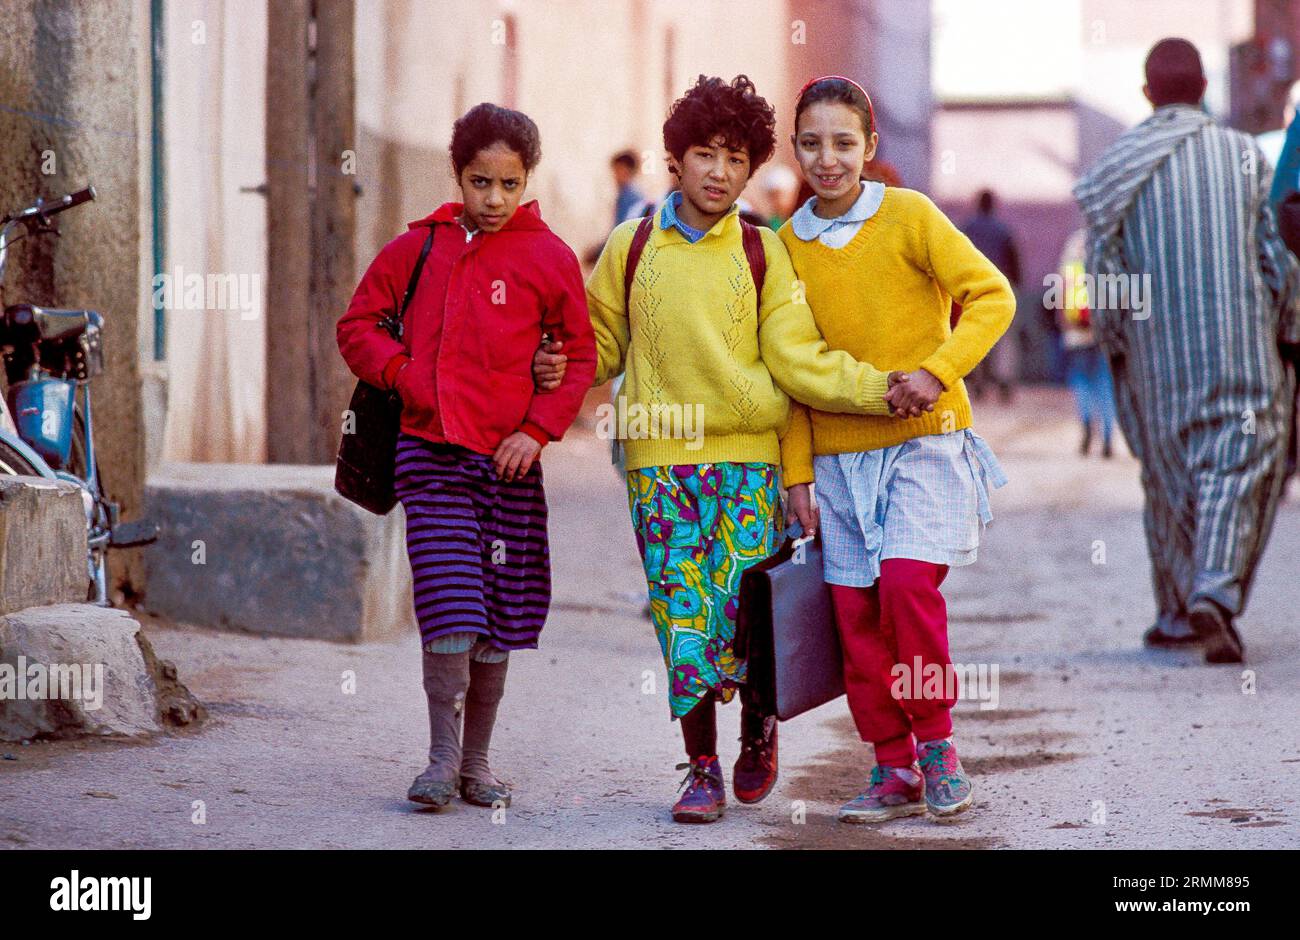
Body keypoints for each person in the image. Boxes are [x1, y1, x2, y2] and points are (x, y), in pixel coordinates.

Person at [534, 74, 912, 825]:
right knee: (684, 619)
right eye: (703, 154)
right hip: (657, 467)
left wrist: (880, 389)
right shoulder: (632, 243)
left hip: (749, 466)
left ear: (750, 169)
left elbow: (799, 362)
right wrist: (557, 366)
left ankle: (759, 731)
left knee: (747, 616)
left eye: (735, 158)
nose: (718, 171)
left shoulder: (765, 251)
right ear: (675, 158)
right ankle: (700, 765)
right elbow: (601, 343)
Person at [336, 103, 597, 809]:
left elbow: (578, 358)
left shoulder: (548, 257)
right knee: (451, 603)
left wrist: (536, 430)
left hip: (510, 469)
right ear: (459, 176)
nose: (494, 200)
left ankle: (478, 762)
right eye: (480, 183)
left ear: (526, 181)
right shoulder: (418, 248)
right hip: (431, 457)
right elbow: (357, 324)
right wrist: (406, 374)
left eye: (509, 185)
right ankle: (439, 758)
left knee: (501, 614)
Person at [779, 76, 1014, 823]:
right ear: (794, 149)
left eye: (845, 142)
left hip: (923, 444)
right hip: (837, 462)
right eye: (812, 143)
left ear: (870, 147)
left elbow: (993, 296)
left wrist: (936, 371)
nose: (828, 159)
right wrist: (796, 474)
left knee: (909, 592)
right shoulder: (786, 246)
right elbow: (784, 368)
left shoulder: (910, 216)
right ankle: (891, 767)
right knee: (855, 617)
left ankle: (937, 746)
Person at [1073, 38, 1299, 663]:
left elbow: (1105, 275)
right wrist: (1287, 327)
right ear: (1204, 89)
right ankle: (1216, 593)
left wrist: (1120, 345)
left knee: (1169, 480)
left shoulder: (1117, 168)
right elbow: (1275, 258)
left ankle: (1175, 614)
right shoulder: (1245, 156)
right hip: (1240, 343)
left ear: (1148, 94)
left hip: (1155, 358)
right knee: (1238, 461)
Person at [1057, 228, 1116, 458]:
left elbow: (1061, 294)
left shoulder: (1072, 253)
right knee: (1104, 382)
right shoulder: (1105, 250)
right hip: (1102, 331)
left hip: (1075, 333)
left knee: (1081, 380)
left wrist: (1064, 323)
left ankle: (1086, 423)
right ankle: (1109, 434)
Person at [960, 189, 1021, 403]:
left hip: (974, 287)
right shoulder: (1003, 230)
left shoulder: (967, 229)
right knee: (1004, 338)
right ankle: (1004, 381)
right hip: (1002, 287)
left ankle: (978, 382)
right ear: (993, 205)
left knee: (976, 333)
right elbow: (1015, 264)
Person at [611, 149, 652, 227]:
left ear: (628, 171)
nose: (615, 175)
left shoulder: (634, 196)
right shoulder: (622, 194)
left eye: (619, 170)